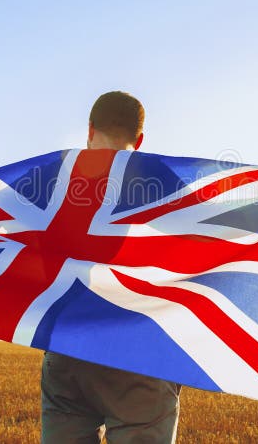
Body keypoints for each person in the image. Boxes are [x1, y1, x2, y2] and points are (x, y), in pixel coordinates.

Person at [40, 91, 182, 444]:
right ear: (140, 139)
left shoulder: (50, 181)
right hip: (138, 352)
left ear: (90, 130)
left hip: (67, 347)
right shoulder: (165, 185)